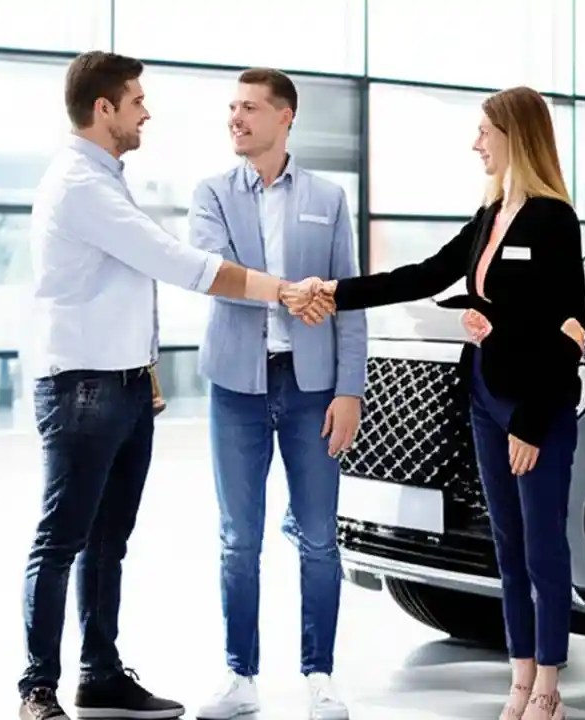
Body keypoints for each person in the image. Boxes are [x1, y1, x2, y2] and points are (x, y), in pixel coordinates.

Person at [18, 50, 320, 720]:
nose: (145, 113)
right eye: (136, 101)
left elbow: (125, 287)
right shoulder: (80, 185)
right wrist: (281, 290)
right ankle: (37, 688)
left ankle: (99, 674)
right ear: (104, 109)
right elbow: (177, 262)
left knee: (108, 542)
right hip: (83, 388)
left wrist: (145, 373)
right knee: (62, 539)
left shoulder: (105, 178)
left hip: (124, 387)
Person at [289, 86, 585, 720]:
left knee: (542, 549)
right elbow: (423, 275)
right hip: (483, 396)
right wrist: (335, 291)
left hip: (534, 408)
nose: (476, 143)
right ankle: (520, 678)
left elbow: (570, 326)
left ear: (516, 136)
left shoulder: (554, 218)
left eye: (485, 131)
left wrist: (532, 420)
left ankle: (549, 687)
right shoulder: (489, 216)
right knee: (507, 548)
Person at [187, 67, 365, 720]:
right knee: (239, 539)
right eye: (233, 107)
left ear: (286, 116)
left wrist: (350, 390)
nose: (236, 118)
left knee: (319, 537)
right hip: (236, 385)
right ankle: (240, 676)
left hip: (312, 387)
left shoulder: (328, 197)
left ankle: (320, 675)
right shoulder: (211, 193)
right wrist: (287, 292)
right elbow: (215, 275)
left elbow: (349, 299)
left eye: (251, 108)